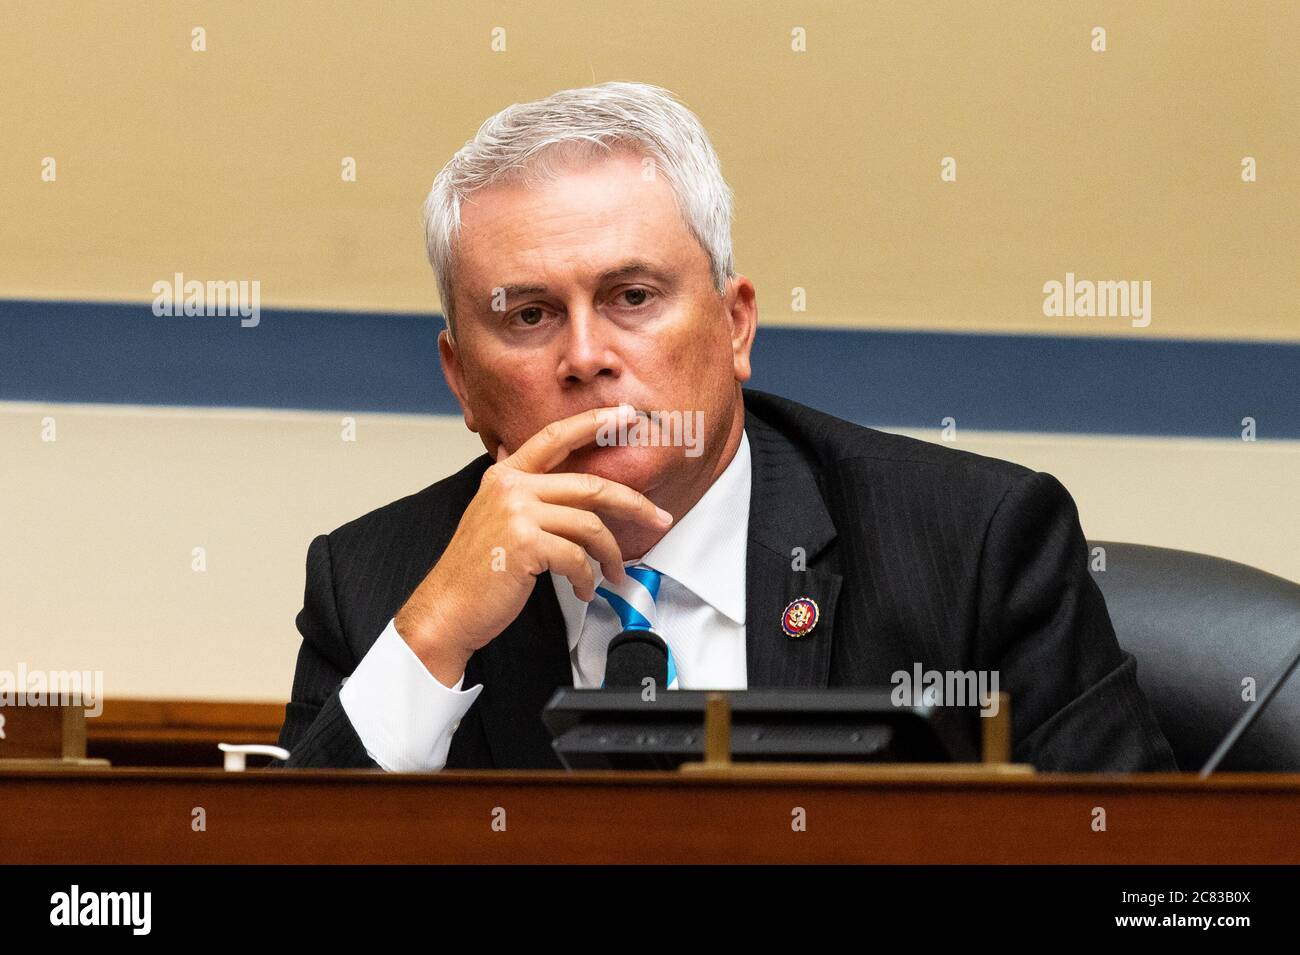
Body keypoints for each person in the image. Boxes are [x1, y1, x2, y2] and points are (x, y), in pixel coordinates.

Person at [272, 81, 1176, 772]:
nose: (585, 356)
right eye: (529, 316)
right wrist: (431, 640)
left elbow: (1157, 890)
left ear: (736, 325)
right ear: (462, 381)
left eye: (632, 296)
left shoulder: (973, 548)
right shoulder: (376, 584)